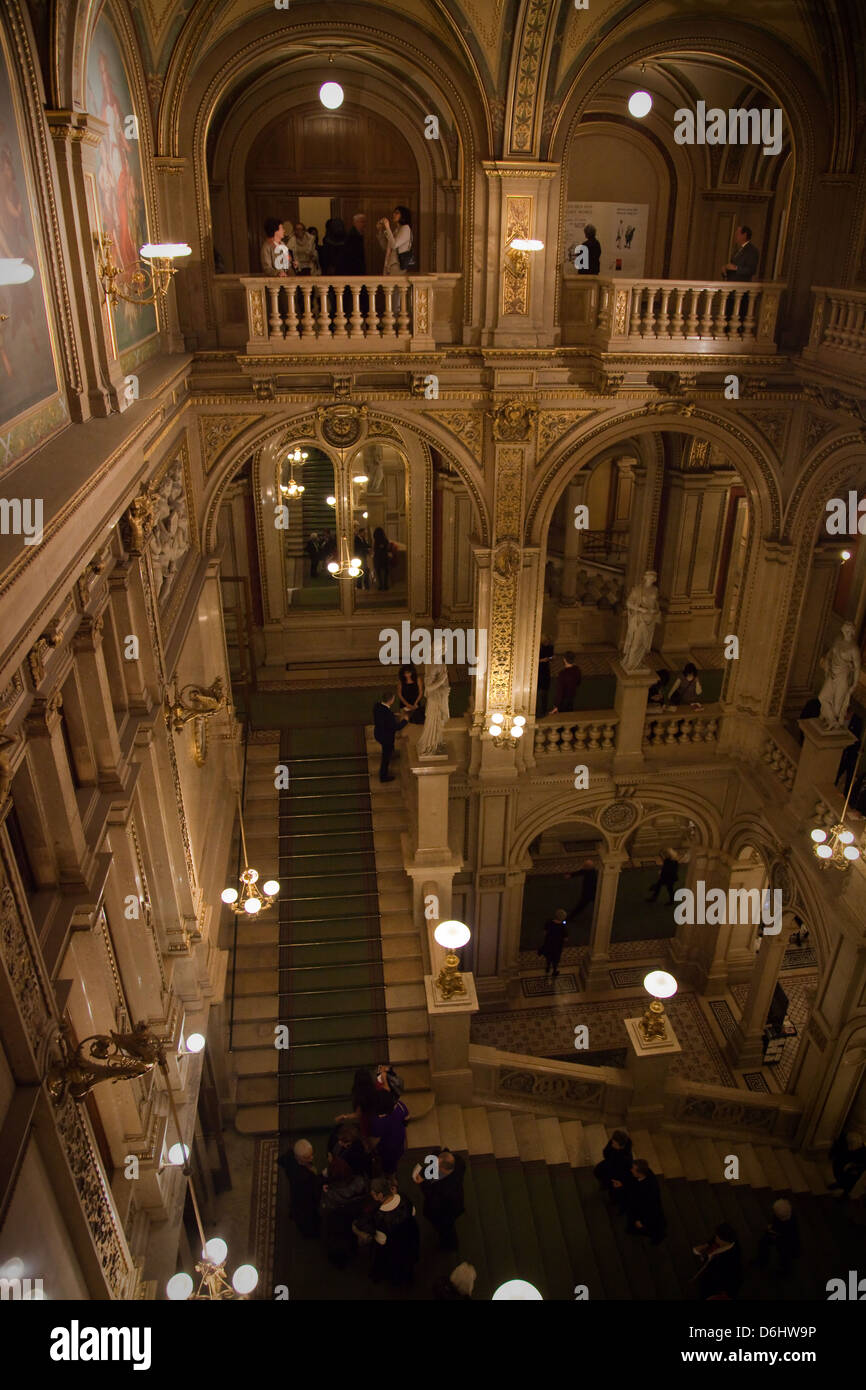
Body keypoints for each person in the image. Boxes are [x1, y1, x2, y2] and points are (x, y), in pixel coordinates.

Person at [354, 1177, 420, 1285]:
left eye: (373, 1194)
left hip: (396, 1248)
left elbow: (382, 1241)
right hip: (411, 1238)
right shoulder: (403, 1197)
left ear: (380, 1195)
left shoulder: (379, 1217)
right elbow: (413, 1212)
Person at [412, 1147, 466, 1250]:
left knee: (446, 1229)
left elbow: (432, 1197)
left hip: (446, 1211)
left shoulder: (447, 1189)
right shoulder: (458, 1161)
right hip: (447, 1203)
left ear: (443, 1170)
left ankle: (450, 1245)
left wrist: (422, 1183)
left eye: (436, 1165)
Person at [321, 1167, 369, 1268]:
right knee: (348, 1240)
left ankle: (339, 1262)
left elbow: (326, 1208)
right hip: (350, 1221)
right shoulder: (360, 1184)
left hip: (337, 1223)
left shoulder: (332, 1195)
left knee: (337, 1244)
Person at [819, 622, 861, 730]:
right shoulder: (838, 641)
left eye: (850, 630)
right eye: (846, 629)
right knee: (822, 697)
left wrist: (854, 685)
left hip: (843, 677)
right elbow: (830, 654)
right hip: (833, 674)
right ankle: (832, 721)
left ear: (853, 632)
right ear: (843, 629)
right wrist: (827, 663)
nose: (848, 632)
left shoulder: (854, 649)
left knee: (837, 707)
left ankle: (832, 722)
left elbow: (857, 668)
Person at [277, 1138, 322, 1237]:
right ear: (298, 1158)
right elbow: (313, 1192)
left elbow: (280, 1160)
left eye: (311, 1154)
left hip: (296, 1192)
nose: (311, 1158)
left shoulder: (289, 1155)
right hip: (304, 1201)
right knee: (308, 1219)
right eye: (307, 1157)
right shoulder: (305, 1177)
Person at [621, 571, 660, 672]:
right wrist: (640, 609)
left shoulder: (655, 590)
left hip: (650, 619)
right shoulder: (638, 589)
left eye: (653, 577)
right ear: (645, 577)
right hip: (640, 619)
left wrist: (654, 610)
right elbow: (629, 603)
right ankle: (631, 664)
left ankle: (638, 663)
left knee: (644, 643)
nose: (651, 579)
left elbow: (655, 604)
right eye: (649, 577)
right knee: (637, 642)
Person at [692, 1222, 743, 1298]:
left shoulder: (731, 1259)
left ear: (724, 1241)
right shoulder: (725, 1239)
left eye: (717, 1237)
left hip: (712, 1283)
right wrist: (706, 1245)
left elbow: (730, 1278)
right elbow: (714, 1239)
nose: (715, 1238)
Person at [368, 1087, 409, 1175]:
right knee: (397, 1161)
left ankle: (391, 1179)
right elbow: (406, 1121)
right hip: (399, 1140)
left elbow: (375, 1140)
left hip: (386, 1148)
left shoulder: (378, 1120)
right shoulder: (400, 1105)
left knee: (388, 1167)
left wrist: (369, 1149)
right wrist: (406, 1141)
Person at [624, 1159, 666, 1243]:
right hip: (635, 1209)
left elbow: (649, 1208)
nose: (631, 1170)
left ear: (639, 1173)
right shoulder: (646, 1173)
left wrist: (640, 1220)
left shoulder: (648, 1190)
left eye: (633, 1169)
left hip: (645, 1215)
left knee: (650, 1229)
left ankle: (657, 1237)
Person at [335, 1067, 381, 1138]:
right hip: (378, 1121)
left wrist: (344, 1117)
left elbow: (358, 1114)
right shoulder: (376, 1090)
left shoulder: (359, 1095)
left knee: (368, 1144)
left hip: (366, 1124)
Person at [756, 1199, 799, 1274]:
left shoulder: (789, 1225)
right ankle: (763, 1259)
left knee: (784, 1255)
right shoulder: (784, 1216)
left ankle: (785, 1270)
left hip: (785, 1241)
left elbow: (786, 1236)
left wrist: (773, 1231)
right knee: (763, 1242)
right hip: (780, 1237)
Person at [594, 1129, 633, 1203]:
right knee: (597, 1171)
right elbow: (606, 1152)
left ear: (621, 1146)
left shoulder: (626, 1159)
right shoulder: (614, 1141)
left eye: (614, 1144)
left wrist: (621, 1182)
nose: (612, 1144)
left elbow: (626, 1173)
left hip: (616, 1175)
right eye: (612, 1142)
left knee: (613, 1191)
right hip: (608, 1165)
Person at [827, 1130, 866, 1195]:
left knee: (850, 1180)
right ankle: (840, 1183)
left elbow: (862, 1165)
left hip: (856, 1166)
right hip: (850, 1158)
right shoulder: (850, 1145)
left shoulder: (862, 1152)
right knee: (839, 1170)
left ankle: (845, 1193)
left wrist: (854, 1166)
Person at [377, 205, 413, 276]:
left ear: (403, 215)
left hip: (398, 265)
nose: (394, 214)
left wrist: (387, 227)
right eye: (394, 213)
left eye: (397, 213)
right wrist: (380, 231)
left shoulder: (406, 228)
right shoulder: (396, 230)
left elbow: (394, 245)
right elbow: (385, 247)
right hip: (390, 265)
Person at [538, 908, 568, 978]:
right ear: (563, 918)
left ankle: (547, 968)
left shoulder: (549, 922)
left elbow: (544, 933)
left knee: (548, 957)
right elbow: (566, 939)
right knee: (555, 959)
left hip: (548, 943)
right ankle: (554, 971)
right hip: (557, 946)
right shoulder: (563, 927)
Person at [537, 635, 554, 715]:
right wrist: (541, 660)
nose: (547, 643)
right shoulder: (538, 648)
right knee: (539, 692)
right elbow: (533, 659)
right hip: (538, 670)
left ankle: (543, 709)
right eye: (546, 642)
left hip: (545, 671)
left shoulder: (550, 647)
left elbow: (552, 657)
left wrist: (549, 659)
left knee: (544, 692)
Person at [372, 526, 390, 590]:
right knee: (385, 572)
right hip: (384, 557)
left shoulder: (376, 541)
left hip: (377, 558)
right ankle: (385, 585)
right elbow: (387, 548)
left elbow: (375, 549)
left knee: (378, 572)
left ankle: (380, 585)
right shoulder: (385, 540)